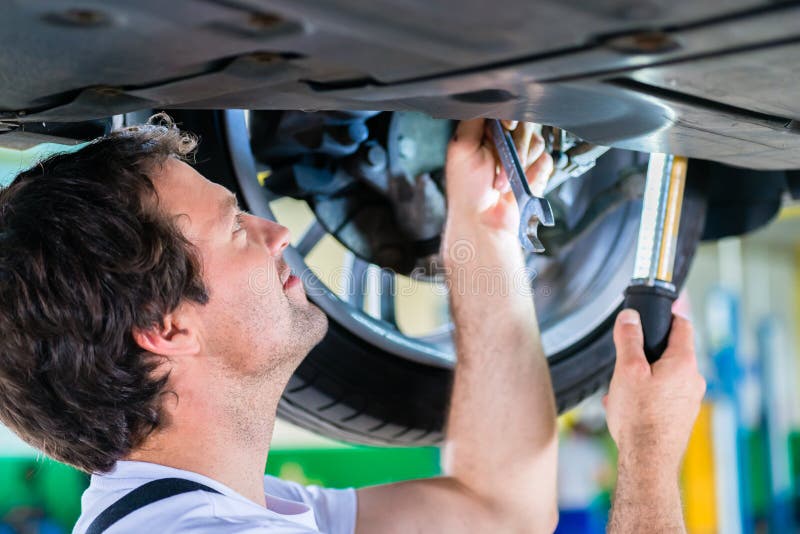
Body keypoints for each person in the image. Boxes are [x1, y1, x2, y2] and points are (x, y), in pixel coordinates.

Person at [0, 115, 705, 533]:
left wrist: (483, 233)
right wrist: (647, 456)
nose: (276, 233)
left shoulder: (218, 507)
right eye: (236, 230)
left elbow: (498, 510)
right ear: (165, 325)